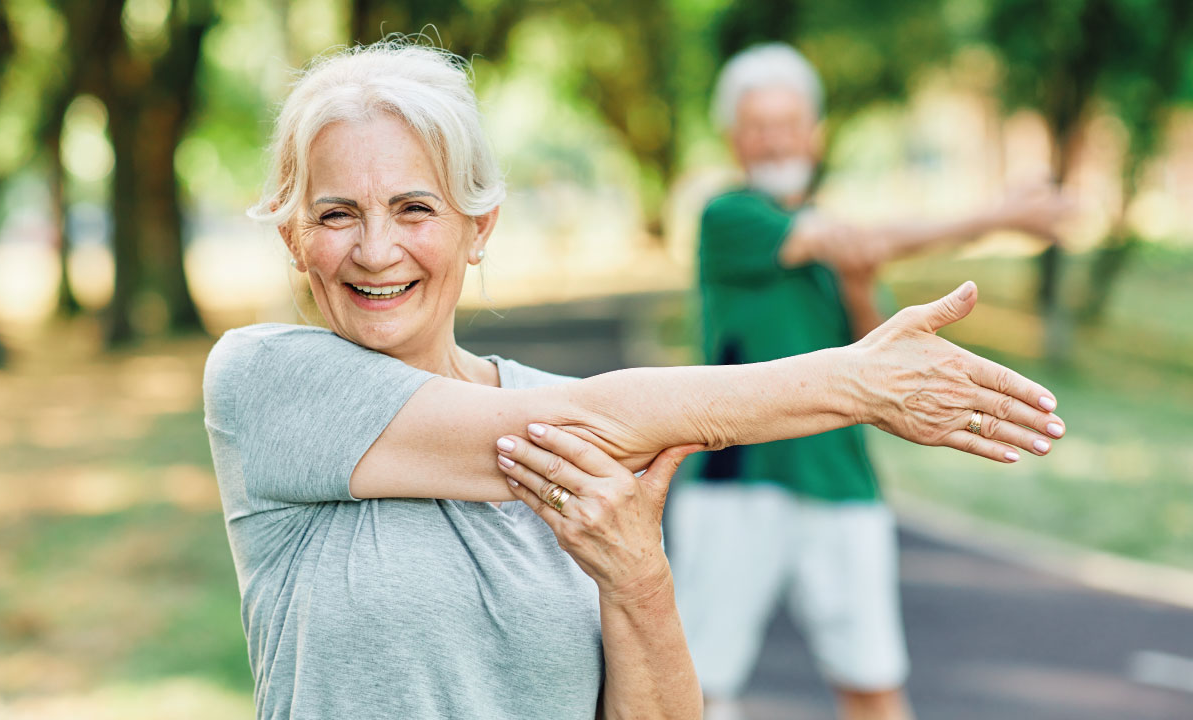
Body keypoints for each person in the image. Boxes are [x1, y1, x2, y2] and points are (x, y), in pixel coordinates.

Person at [202, 40, 1066, 720]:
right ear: (293, 238)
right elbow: (588, 416)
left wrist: (639, 581)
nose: (375, 250)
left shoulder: (580, 427)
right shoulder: (266, 382)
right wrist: (859, 384)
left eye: (414, 207)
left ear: (479, 226)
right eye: (336, 214)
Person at [667, 43, 1073, 720]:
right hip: (736, 478)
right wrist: (995, 218)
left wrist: (860, 278)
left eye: (787, 124)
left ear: (815, 133)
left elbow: (879, 341)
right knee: (699, 688)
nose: (774, 141)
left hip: (841, 478)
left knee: (873, 685)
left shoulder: (848, 239)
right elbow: (835, 238)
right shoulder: (729, 217)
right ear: (734, 139)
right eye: (758, 127)